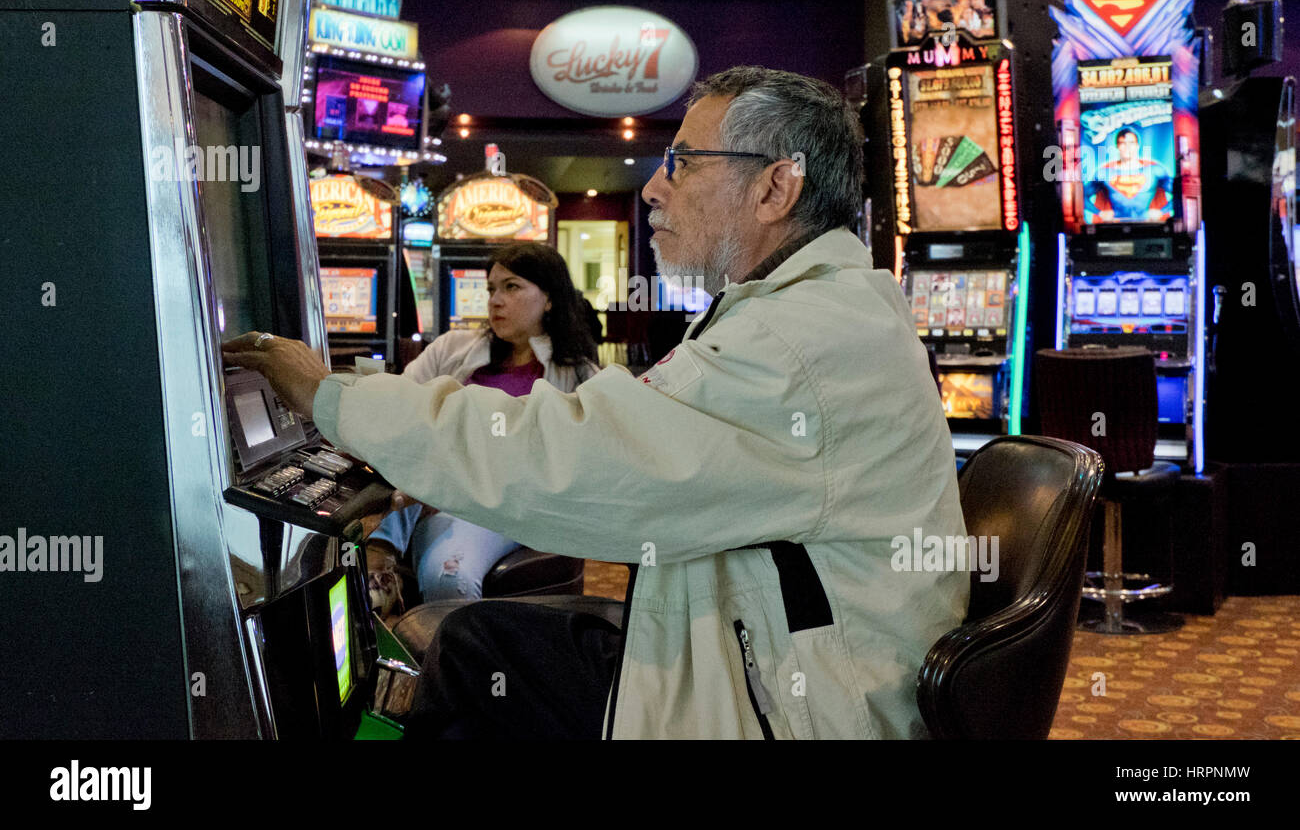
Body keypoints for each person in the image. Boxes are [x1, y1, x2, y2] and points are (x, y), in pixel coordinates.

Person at [225, 65, 969, 740]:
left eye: (682, 162)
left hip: (794, 707)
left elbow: (577, 460)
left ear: (776, 188)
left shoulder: (802, 341)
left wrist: (333, 397)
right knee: (475, 644)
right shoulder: (805, 310)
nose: (653, 185)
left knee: (470, 660)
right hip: (766, 651)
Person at [366, 242, 599, 615]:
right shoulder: (453, 348)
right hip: (433, 499)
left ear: (550, 299)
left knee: (449, 577)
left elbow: (586, 463)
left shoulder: (578, 373)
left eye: (511, 287)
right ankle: (380, 559)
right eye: (491, 289)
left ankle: (461, 668)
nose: (495, 300)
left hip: (507, 505)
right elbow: (397, 407)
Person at [1088, 126, 1175, 222]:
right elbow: (1081, 196)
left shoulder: (1155, 171)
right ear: (1117, 146)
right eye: (1123, 143)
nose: (1127, 147)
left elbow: (1179, 193)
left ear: (1137, 146)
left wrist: (1161, 212)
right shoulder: (1104, 173)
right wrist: (1099, 213)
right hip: (1113, 229)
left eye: (1131, 143)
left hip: (1149, 227)